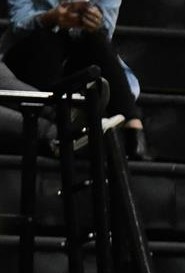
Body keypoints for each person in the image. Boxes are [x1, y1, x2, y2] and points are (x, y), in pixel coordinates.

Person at [3, 0, 147, 158]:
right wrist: (50, 18)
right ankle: (66, 122)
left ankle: (132, 125)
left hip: (78, 57)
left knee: (95, 38)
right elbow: (19, 22)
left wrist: (92, 21)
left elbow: (106, 32)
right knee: (48, 39)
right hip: (32, 55)